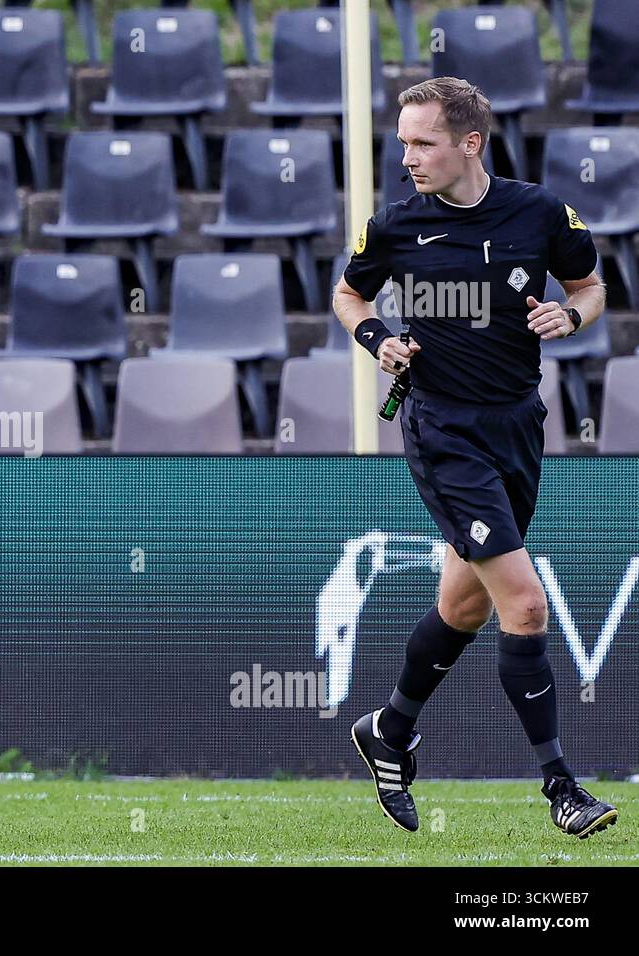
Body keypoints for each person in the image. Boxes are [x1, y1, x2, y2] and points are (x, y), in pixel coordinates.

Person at [333, 77, 618, 840]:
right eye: (402, 142)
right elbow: (349, 297)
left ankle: (388, 730)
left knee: (464, 603)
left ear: (469, 143)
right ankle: (561, 788)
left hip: (519, 424)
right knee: (523, 601)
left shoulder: (540, 213)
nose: (407, 158)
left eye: (422, 142)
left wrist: (573, 312)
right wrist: (376, 340)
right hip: (442, 430)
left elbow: (593, 288)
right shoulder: (394, 226)